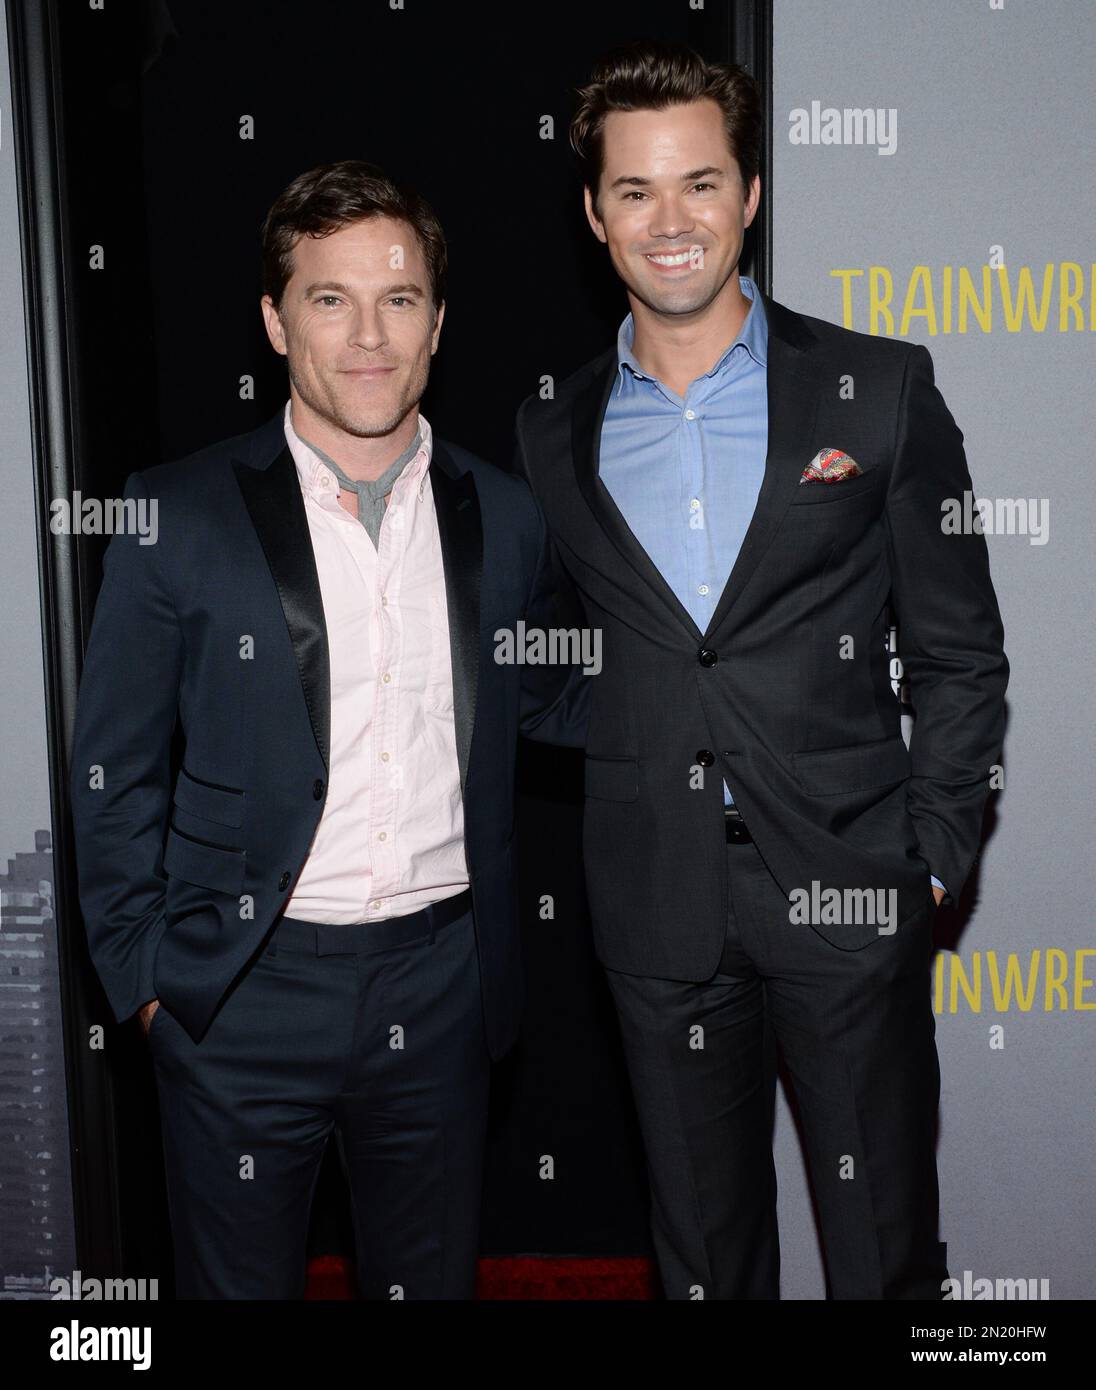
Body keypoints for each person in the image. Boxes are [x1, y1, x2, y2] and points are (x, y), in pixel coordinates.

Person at [514, 40, 1008, 1299]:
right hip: (654, 906)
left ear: (747, 196)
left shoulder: (877, 391)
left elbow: (958, 650)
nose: (668, 221)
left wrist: (934, 849)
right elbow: (552, 656)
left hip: (848, 891)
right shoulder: (551, 430)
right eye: (633, 190)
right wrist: (634, 733)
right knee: (702, 1257)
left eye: (698, 183)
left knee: (884, 1252)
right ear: (593, 213)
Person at [69, 160, 588, 1299]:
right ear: (273, 318)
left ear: (437, 322)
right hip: (239, 997)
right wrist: (148, 985)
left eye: (398, 299)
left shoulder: (504, 515)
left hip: (440, 991)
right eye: (328, 298)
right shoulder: (175, 515)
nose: (367, 335)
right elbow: (114, 774)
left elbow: (551, 691)